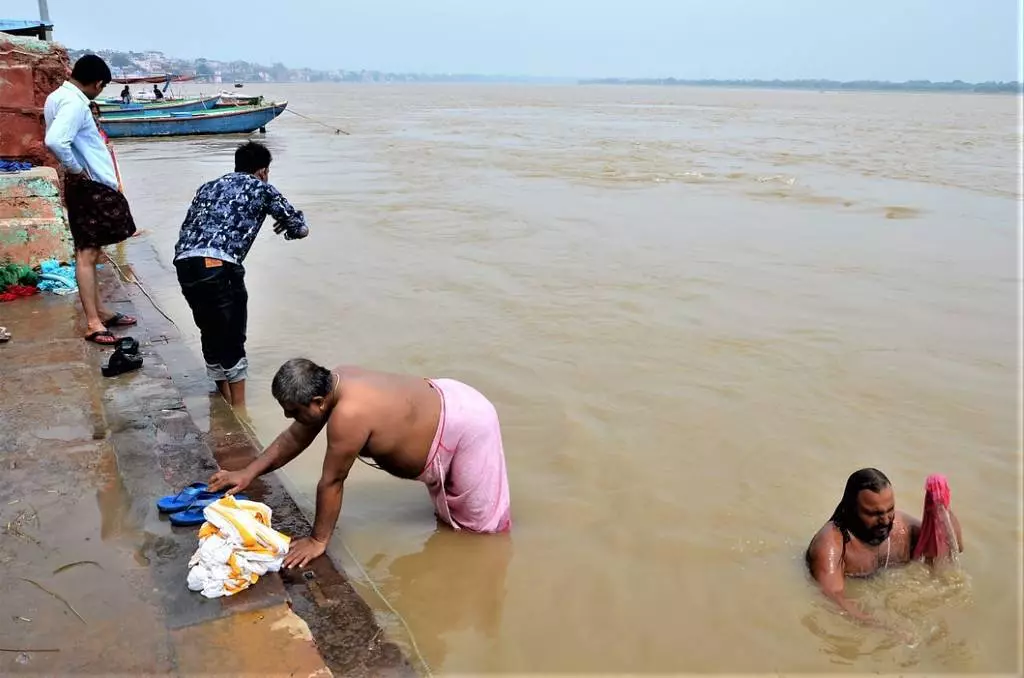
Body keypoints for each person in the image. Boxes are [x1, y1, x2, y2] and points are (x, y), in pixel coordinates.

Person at [207, 359, 513, 568]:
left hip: (467, 421)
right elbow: (293, 438)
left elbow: (333, 480)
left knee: (482, 531)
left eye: (293, 410)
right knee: (450, 524)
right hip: (444, 399)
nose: (290, 418)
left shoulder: (349, 415)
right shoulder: (334, 381)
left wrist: (317, 540)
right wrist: (248, 472)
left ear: (318, 401)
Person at [172, 142, 308, 409]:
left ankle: (222, 402)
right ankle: (241, 413)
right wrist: (288, 227)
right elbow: (300, 228)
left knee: (209, 329)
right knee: (232, 334)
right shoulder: (262, 188)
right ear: (263, 171)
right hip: (218, 265)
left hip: (184, 263)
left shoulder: (208, 186)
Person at [45, 55, 138, 345]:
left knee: (93, 249)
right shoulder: (74, 104)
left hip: (87, 185)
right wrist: (76, 169)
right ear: (98, 83)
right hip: (90, 186)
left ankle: (100, 310)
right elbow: (55, 140)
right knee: (87, 253)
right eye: (102, 87)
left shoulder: (57, 97)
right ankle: (93, 323)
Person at [805, 468, 963, 623]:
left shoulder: (902, 528)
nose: (886, 520)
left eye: (890, 510)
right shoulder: (831, 545)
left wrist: (941, 509)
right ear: (851, 510)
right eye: (874, 514)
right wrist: (881, 627)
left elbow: (951, 550)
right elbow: (832, 596)